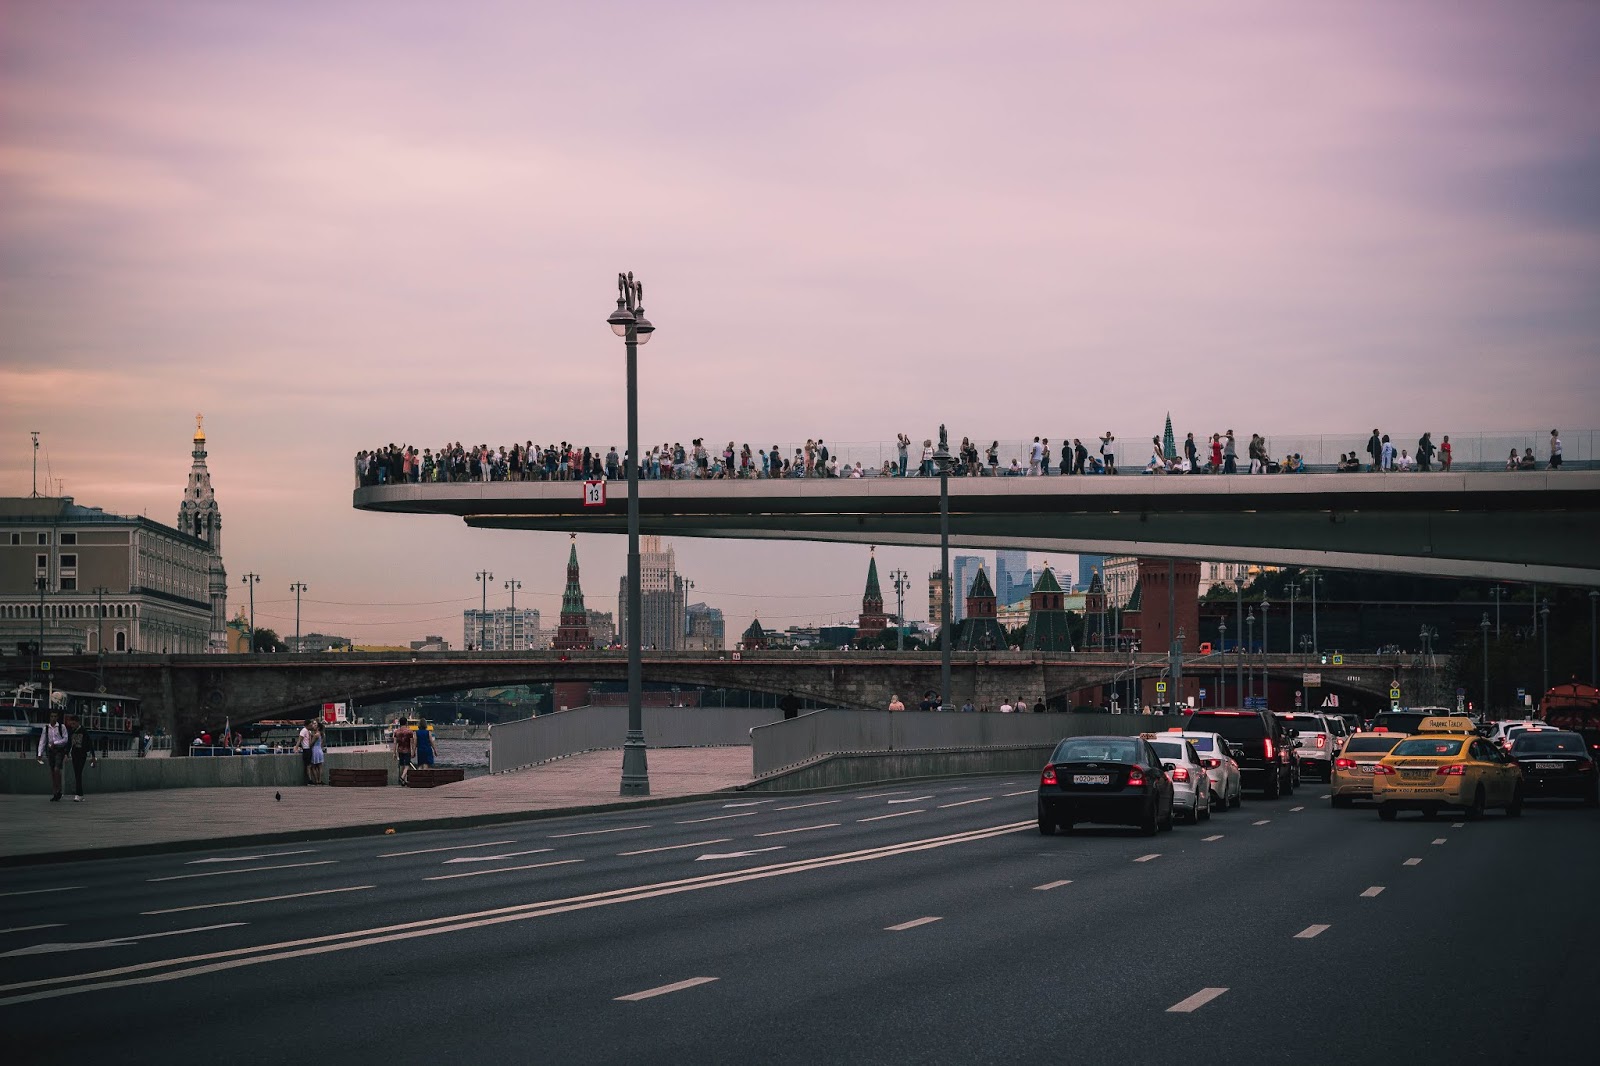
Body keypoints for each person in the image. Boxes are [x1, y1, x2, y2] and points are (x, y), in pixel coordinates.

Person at [36, 709, 69, 801]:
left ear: (57, 717)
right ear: (49, 717)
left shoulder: (61, 727)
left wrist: (56, 743)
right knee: (52, 772)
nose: (53, 718)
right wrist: (40, 753)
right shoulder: (46, 728)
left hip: (59, 750)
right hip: (50, 751)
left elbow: (65, 739)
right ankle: (55, 792)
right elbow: (42, 741)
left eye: (55, 716)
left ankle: (59, 789)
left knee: (56, 769)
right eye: (52, 716)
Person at [64, 714, 97, 802]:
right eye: (71, 724)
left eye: (74, 724)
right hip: (74, 754)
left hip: (82, 754)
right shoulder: (71, 731)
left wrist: (93, 756)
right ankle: (80, 794)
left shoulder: (83, 731)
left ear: (78, 722)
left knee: (78, 773)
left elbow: (90, 743)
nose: (72, 726)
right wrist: (66, 754)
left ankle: (78, 794)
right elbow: (69, 743)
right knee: (77, 773)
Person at [393, 718, 415, 784]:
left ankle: (403, 781)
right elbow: (411, 742)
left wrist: (394, 752)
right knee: (407, 765)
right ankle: (402, 777)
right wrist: (413, 750)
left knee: (402, 765)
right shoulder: (409, 731)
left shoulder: (396, 732)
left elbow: (395, 743)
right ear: (406, 723)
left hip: (400, 750)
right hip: (407, 750)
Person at [298, 719, 314, 785]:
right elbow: (300, 739)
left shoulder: (308, 731)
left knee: (309, 765)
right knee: (308, 765)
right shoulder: (304, 730)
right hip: (306, 749)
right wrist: (296, 746)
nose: (312, 725)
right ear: (307, 725)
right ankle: (309, 780)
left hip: (308, 749)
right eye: (310, 724)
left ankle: (310, 779)